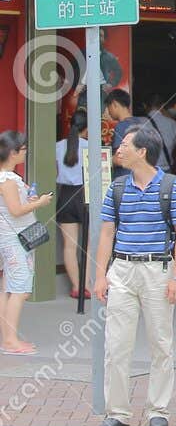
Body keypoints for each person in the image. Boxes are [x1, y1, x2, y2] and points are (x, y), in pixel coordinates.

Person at [92, 121, 176, 426]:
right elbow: (106, 233)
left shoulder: (171, 186)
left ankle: (157, 410)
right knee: (116, 345)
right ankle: (117, 413)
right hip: (121, 269)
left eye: (125, 145)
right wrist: (100, 275)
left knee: (161, 343)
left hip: (157, 270)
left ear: (142, 152)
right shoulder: (117, 187)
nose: (118, 149)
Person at [0, 131, 49, 355]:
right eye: (23, 148)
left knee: (9, 290)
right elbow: (16, 211)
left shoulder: (8, 177)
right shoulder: (8, 180)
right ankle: (10, 341)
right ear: (13, 153)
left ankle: (9, 338)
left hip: (10, 238)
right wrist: (39, 203)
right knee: (19, 289)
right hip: (14, 240)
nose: (25, 151)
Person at [55, 114, 89, 298]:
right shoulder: (90, 147)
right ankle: (88, 285)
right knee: (91, 244)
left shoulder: (58, 146)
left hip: (66, 195)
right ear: (87, 129)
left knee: (70, 245)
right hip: (85, 194)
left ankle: (77, 287)